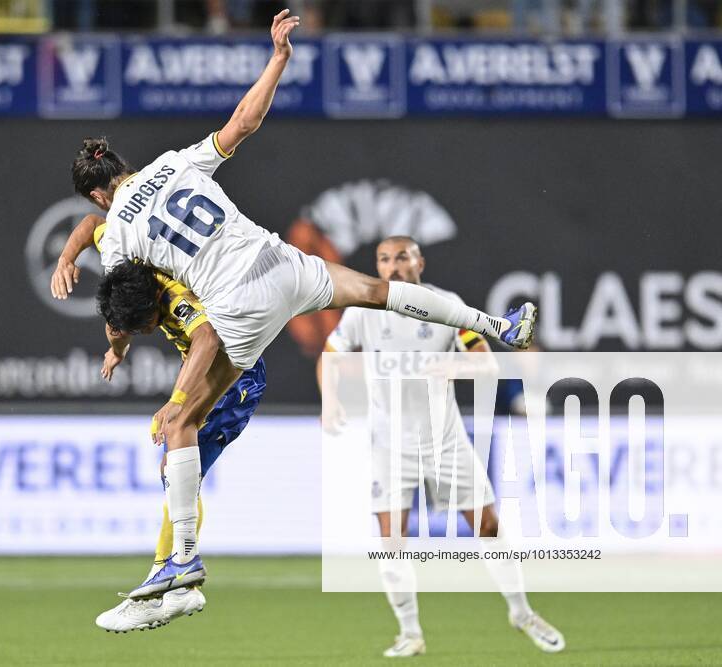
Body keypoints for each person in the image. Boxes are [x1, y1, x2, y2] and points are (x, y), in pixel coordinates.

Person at [64, 8, 537, 600]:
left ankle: (180, 560)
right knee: (378, 292)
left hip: (236, 303)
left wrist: (119, 347)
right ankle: (499, 324)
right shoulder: (173, 162)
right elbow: (243, 121)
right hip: (281, 263)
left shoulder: (122, 233)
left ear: (100, 193)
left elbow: (124, 303)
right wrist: (278, 59)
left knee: (181, 422)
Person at [319, 236, 564, 658]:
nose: (393, 267)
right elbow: (331, 353)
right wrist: (330, 398)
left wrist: (454, 366)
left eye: (401, 257)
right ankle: (410, 633)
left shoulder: (448, 306)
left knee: (487, 527)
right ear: (377, 268)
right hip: (389, 443)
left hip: (445, 438)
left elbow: (487, 364)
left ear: (420, 262)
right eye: (384, 260)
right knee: (391, 536)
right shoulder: (362, 312)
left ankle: (521, 612)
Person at [53, 215, 266, 631]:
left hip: (237, 371)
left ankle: (170, 577)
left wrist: (177, 403)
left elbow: (208, 340)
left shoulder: (176, 299)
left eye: (144, 326)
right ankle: (176, 582)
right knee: (178, 473)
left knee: (179, 466)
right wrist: (66, 259)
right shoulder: (123, 267)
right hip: (207, 372)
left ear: (155, 308)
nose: (143, 331)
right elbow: (93, 222)